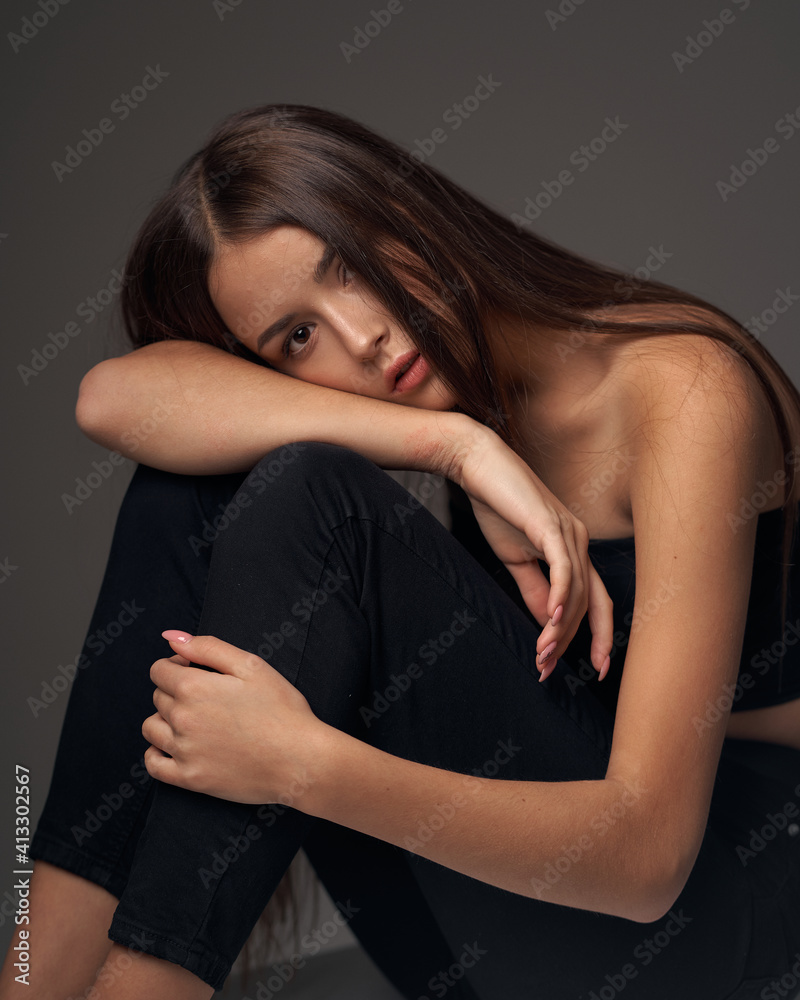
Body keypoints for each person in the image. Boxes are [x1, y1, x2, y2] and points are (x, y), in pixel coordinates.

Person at [2, 103, 799, 1000]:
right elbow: (114, 399)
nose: (362, 339)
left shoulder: (682, 392)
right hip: (502, 923)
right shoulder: (460, 425)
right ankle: (32, 984)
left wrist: (302, 766)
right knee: (191, 485)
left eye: (349, 269)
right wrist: (455, 447)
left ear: (408, 211)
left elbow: (647, 858)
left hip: (722, 927)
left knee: (312, 496)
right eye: (298, 338)